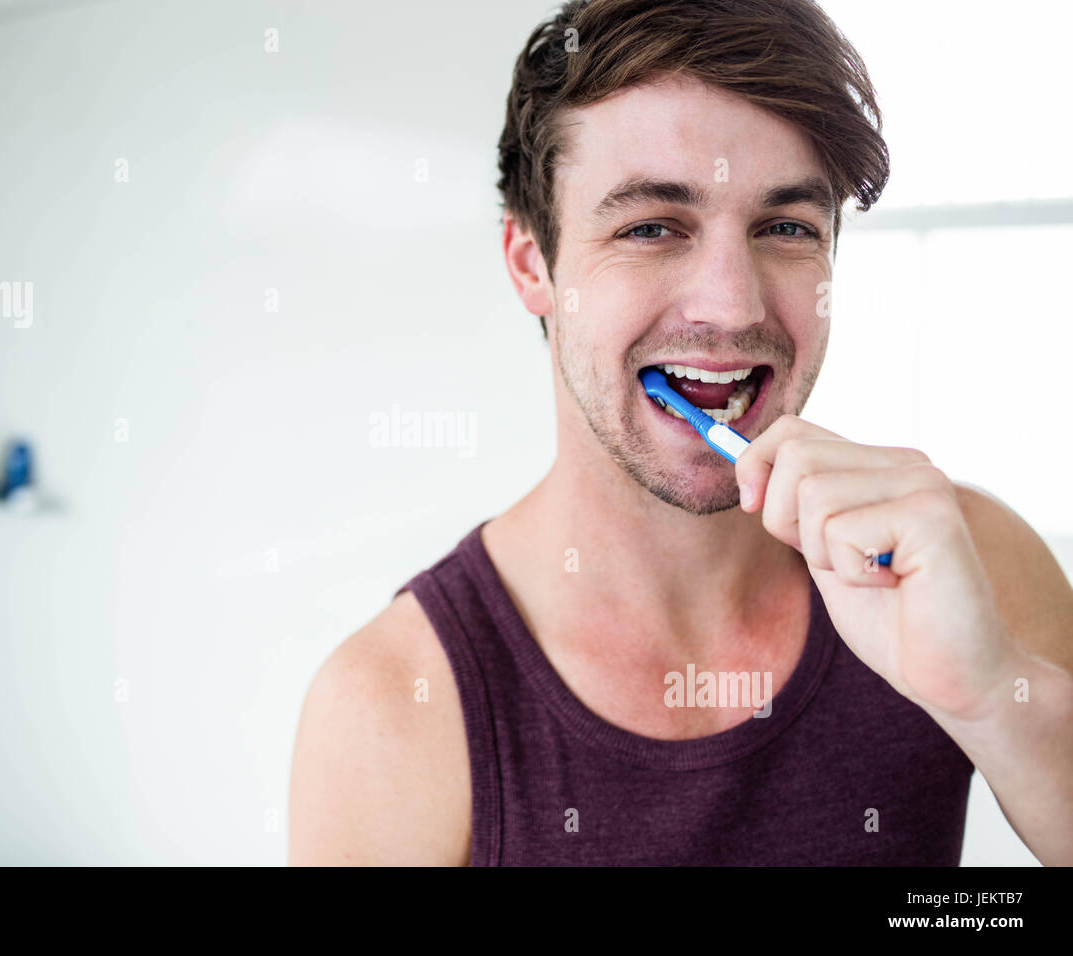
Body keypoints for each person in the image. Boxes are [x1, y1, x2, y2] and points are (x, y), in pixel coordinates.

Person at [288, 0, 1073, 866]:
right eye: (652, 227)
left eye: (786, 227)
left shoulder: (968, 567)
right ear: (530, 264)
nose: (732, 307)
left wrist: (996, 695)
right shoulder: (393, 709)